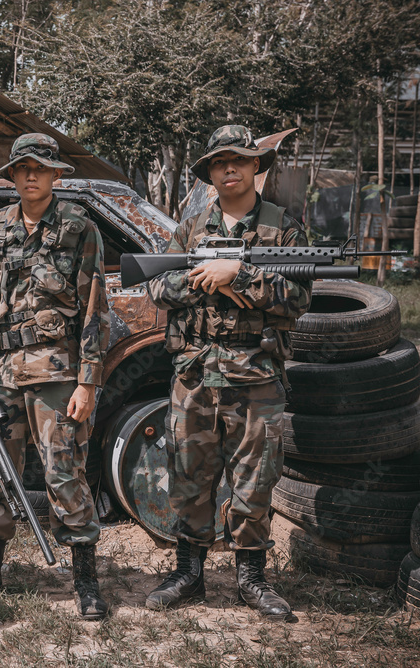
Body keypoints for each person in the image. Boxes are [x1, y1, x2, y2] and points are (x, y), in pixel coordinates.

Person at [144, 125, 311, 622]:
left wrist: (240, 275)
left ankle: (252, 578)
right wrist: (204, 279)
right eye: (220, 162)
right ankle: (188, 573)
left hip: (255, 376)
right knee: (188, 475)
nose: (231, 168)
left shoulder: (285, 229)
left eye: (240, 160)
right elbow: (156, 288)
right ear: (210, 173)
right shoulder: (191, 228)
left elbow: (300, 298)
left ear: (256, 167)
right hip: (194, 373)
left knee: (255, 479)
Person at [0, 133, 112, 619]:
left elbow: (94, 309)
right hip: (2, 374)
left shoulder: (78, 229)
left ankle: (85, 579)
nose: (29, 176)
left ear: (55, 175)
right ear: (13, 175)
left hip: (58, 375)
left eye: (39, 168)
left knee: (65, 472)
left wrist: (88, 381)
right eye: (22, 168)